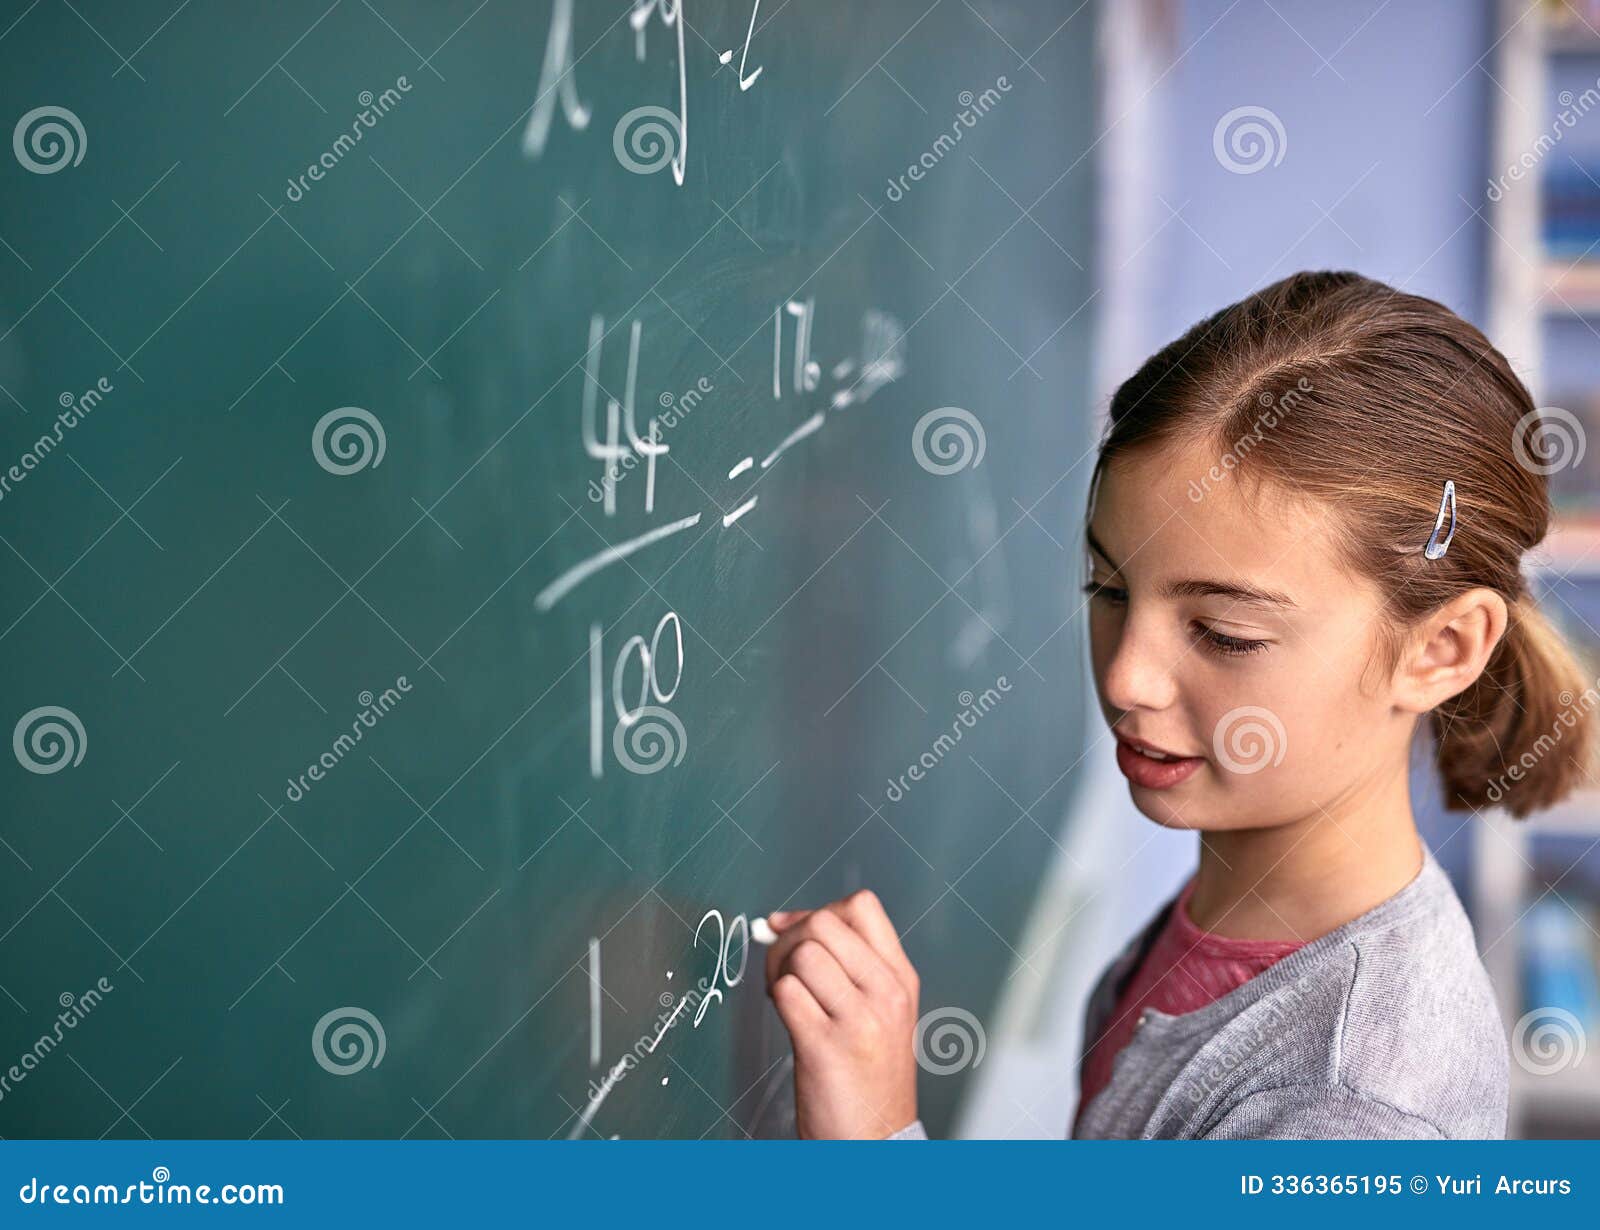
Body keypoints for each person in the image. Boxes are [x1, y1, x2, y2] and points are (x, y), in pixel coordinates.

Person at [762, 270, 1598, 1139]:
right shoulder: (1235, 914)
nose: (1128, 678)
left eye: (1224, 633)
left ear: (1441, 650)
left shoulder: (1353, 1114)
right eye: (1108, 587)